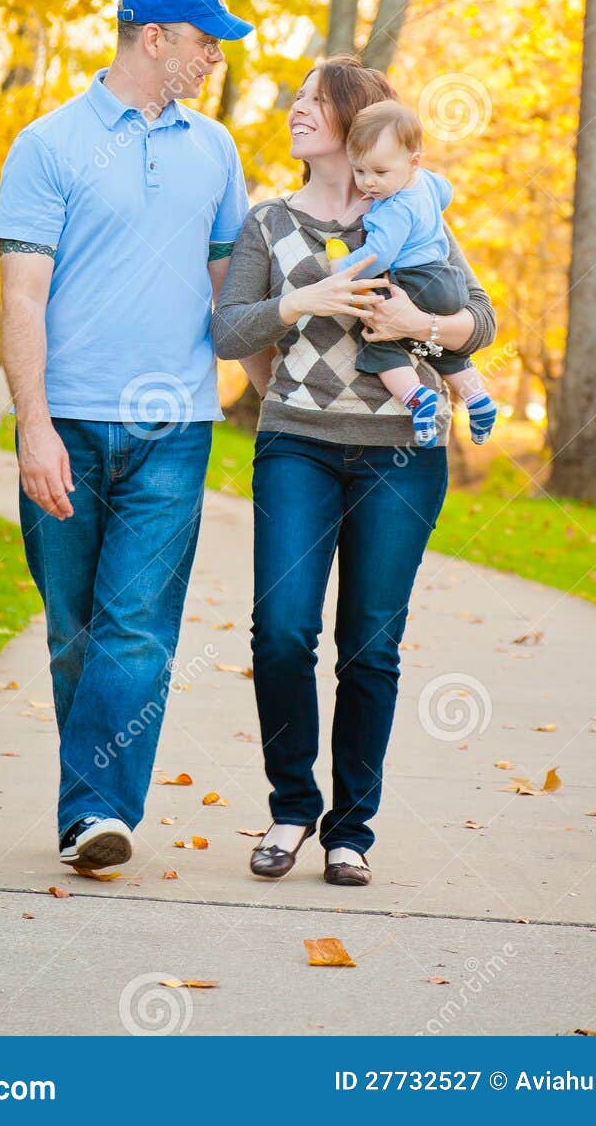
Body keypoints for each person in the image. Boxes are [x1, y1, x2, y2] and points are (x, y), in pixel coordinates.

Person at [0, 0, 263, 874]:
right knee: (75, 629)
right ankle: (90, 805)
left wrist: (269, 384)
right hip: (67, 419)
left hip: (175, 427)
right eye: (204, 43)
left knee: (136, 624)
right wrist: (31, 425)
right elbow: (22, 297)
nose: (213, 60)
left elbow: (233, 288)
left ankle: (98, 813)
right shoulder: (47, 144)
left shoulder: (215, 150)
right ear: (154, 38)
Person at [211, 56, 496, 888]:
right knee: (283, 632)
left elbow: (478, 318)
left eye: (312, 99)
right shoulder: (270, 224)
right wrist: (300, 303)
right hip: (296, 445)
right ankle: (291, 810)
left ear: (356, 118)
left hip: (402, 459)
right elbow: (229, 334)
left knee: (370, 646)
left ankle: (352, 832)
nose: (295, 109)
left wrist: (424, 323)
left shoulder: (414, 214)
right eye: (295, 98)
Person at [335, 97, 498, 448]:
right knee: (445, 351)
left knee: (380, 339)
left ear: (413, 162)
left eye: (380, 173)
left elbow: (378, 257)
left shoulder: (393, 209)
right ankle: (478, 399)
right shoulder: (425, 182)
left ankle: (416, 397)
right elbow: (446, 194)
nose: (368, 183)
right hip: (447, 281)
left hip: (413, 282)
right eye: (360, 171)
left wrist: (341, 269)